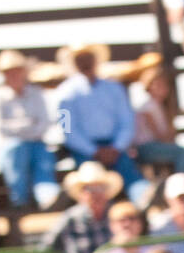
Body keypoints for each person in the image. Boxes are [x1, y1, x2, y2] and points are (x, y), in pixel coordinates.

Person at [54, 43, 150, 204]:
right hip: (84, 150)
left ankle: (144, 199)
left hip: (115, 146)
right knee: (89, 180)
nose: (85, 63)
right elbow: (68, 130)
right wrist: (94, 151)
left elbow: (127, 121)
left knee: (129, 173)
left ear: (95, 60)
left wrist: (116, 147)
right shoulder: (64, 94)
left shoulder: (115, 88)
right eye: (80, 59)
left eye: (88, 58)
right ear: (74, 63)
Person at [0, 50, 59, 211]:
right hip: (13, 147)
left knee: (43, 156)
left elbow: (45, 122)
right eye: (9, 72)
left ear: (24, 72)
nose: (13, 75)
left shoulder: (37, 93)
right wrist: (28, 126)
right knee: (16, 150)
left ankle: (48, 198)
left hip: (36, 143)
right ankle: (20, 202)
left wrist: (19, 128)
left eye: (16, 71)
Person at [43, 161, 120, 253]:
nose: (95, 194)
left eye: (100, 188)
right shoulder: (70, 219)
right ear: (81, 194)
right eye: (89, 189)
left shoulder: (119, 215)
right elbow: (46, 249)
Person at [133, 65, 184, 188]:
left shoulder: (162, 108)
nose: (162, 88)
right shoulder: (147, 108)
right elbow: (159, 136)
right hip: (147, 148)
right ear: (149, 86)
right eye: (158, 84)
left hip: (159, 146)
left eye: (163, 85)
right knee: (183, 153)